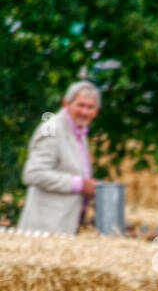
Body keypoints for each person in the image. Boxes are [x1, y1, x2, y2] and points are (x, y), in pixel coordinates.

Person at [18, 80, 101, 235]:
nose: (84, 112)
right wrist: (80, 185)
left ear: (96, 111)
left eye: (90, 107)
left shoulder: (80, 131)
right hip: (42, 230)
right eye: (80, 105)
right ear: (66, 104)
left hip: (63, 228)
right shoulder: (52, 129)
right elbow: (33, 174)